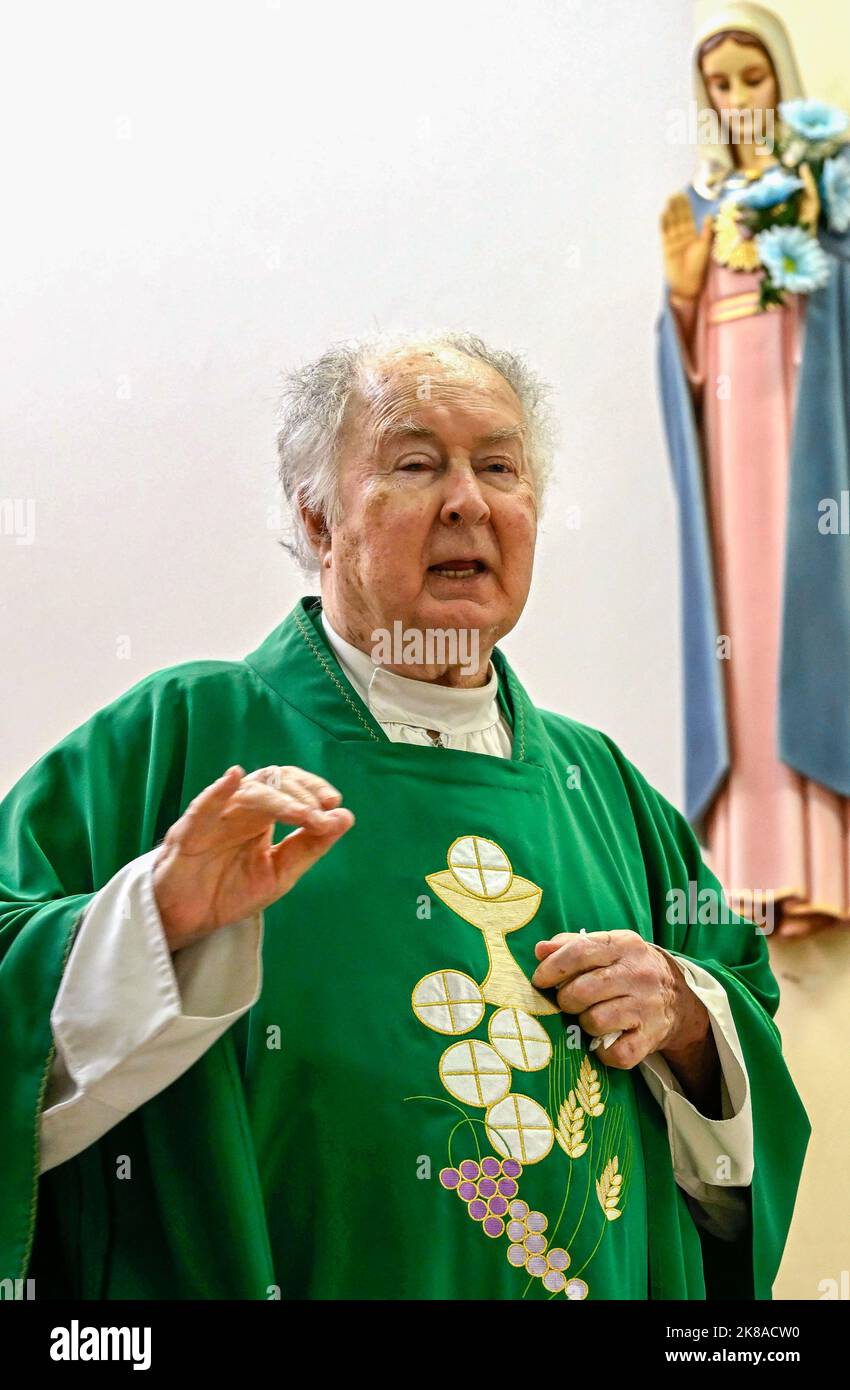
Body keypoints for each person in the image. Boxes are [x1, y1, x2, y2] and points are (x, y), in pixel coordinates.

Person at [0, 331, 809, 1300]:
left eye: (499, 466)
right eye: (416, 462)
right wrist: (152, 922)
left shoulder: (608, 791)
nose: (467, 500)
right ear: (317, 518)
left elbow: (745, 1094)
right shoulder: (180, 735)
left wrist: (685, 1015)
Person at [658, 2, 850, 937]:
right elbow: (681, 360)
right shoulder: (702, 205)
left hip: (807, 435)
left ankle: (824, 860)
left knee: (809, 622)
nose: (740, 100)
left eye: (753, 78)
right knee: (740, 638)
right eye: (721, 85)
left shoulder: (827, 185)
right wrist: (686, 297)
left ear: (781, 77)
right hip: (731, 450)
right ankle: (754, 871)